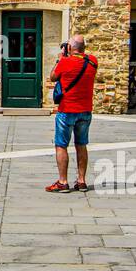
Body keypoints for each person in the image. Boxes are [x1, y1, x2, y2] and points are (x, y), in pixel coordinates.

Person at [45, 35, 98, 193]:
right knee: (81, 144)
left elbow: (53, 76)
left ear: (69, 47)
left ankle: (63, 182)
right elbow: (83, 58)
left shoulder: (65, 62)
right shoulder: (93, 61)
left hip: (67, 110)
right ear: (84, 47)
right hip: (85, 110)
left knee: (61, 145)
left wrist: (61, 57)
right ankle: (81, 181)